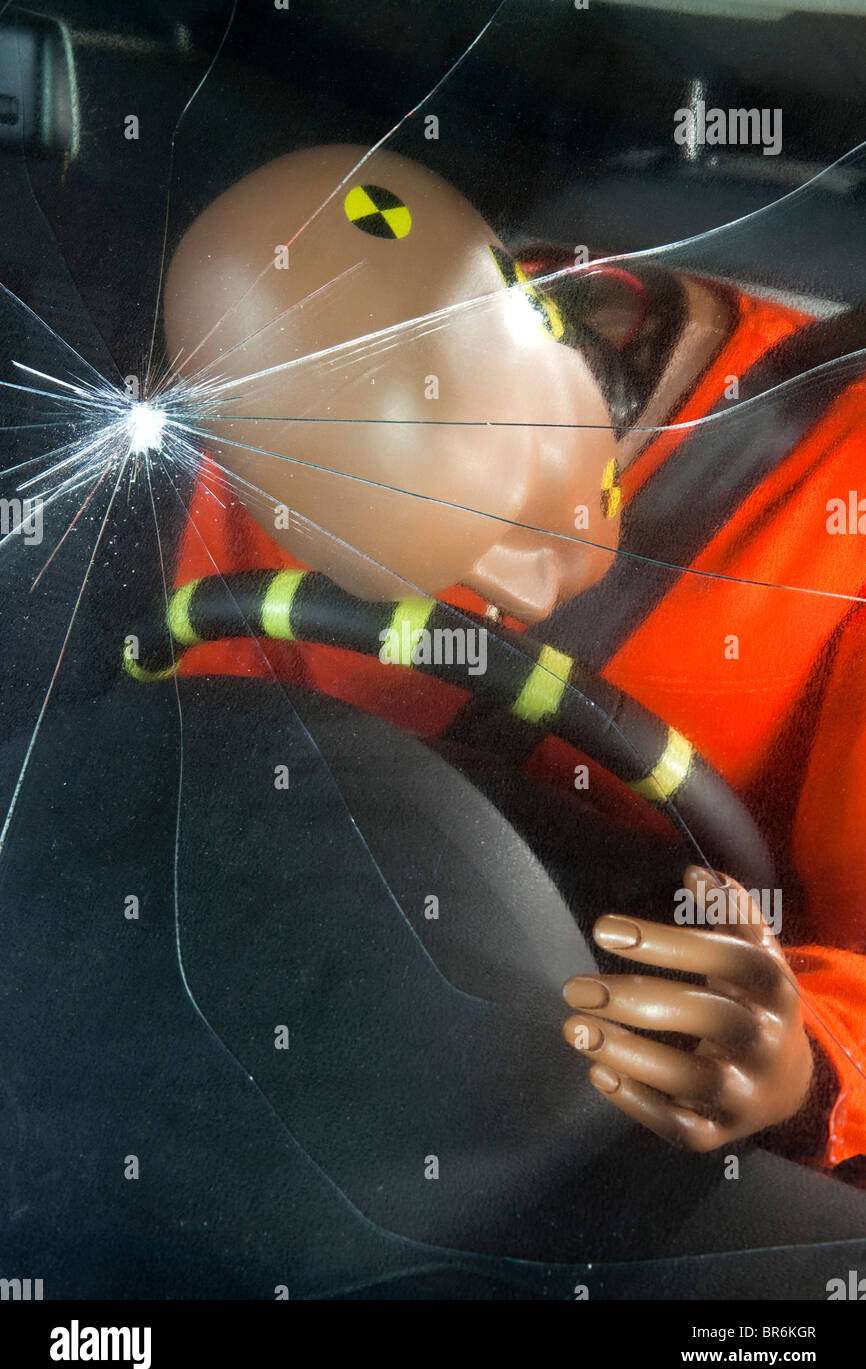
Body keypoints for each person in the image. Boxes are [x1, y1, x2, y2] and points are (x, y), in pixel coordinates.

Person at [158, 143, 866, 1178]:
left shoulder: (838, 483)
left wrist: (802, 1065)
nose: (520, 600)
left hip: (595, 1119)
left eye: (528, 525)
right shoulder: (272, 418)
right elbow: (206, 770)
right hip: (291, 1032)